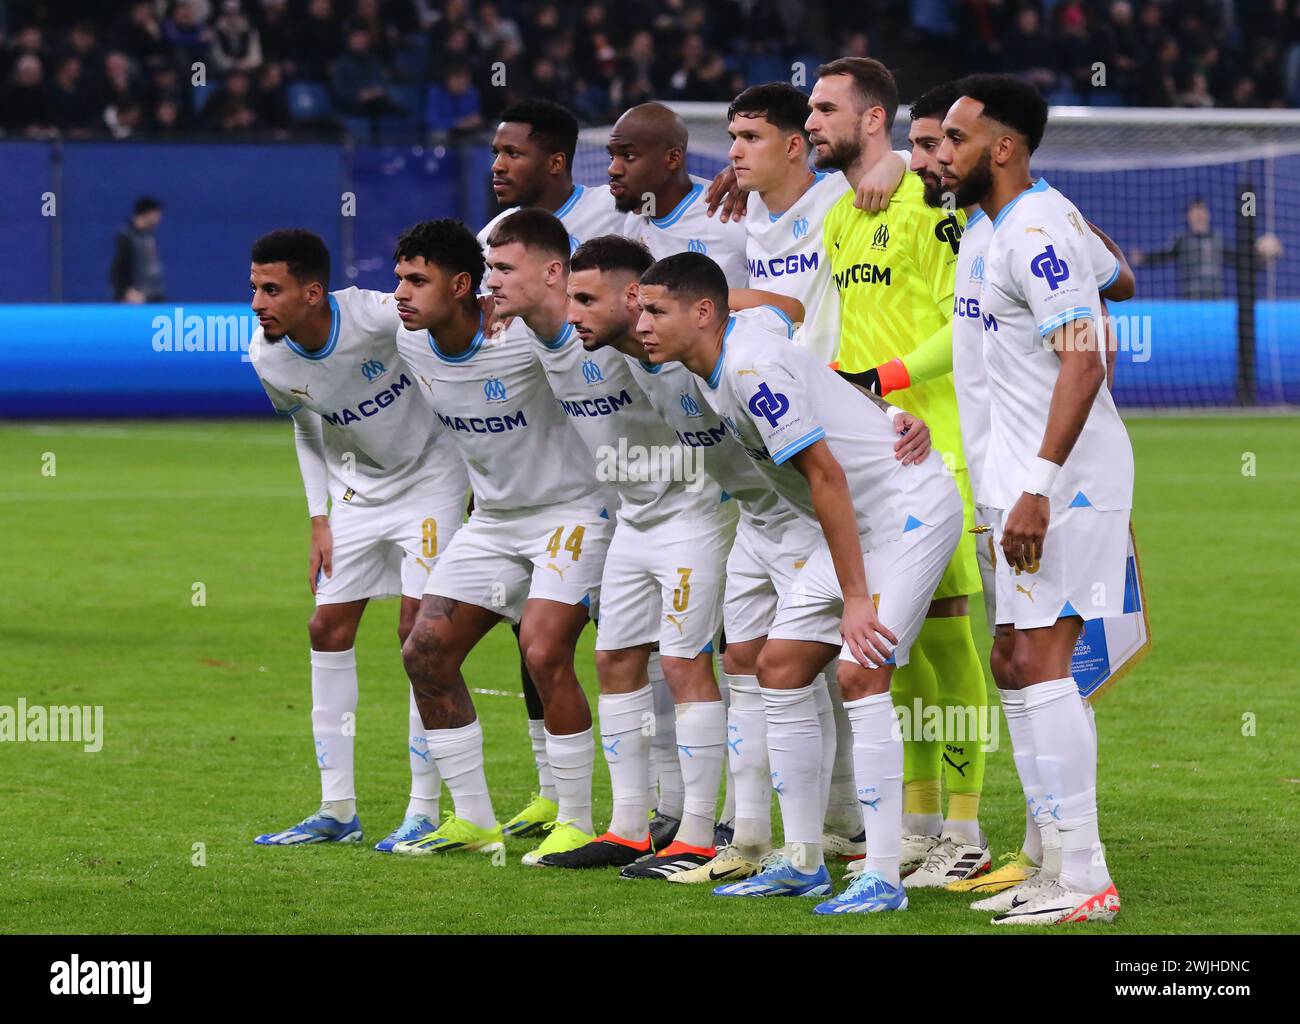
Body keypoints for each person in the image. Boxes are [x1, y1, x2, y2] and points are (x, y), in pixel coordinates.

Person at [638, 251, 961, 914]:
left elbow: (827, 477)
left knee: (861, 672)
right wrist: (877, 412)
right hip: (856, 519)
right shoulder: (717, 359)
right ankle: (804, 863)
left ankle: (883, 877)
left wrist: (858, 599)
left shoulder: (751, 368)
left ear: (704, 313)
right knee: (780, 668)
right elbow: (793, 337)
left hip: (906, 511)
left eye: (655, 310)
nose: (641, 323)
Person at [883, 80, 1136, 898]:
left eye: (952, 139)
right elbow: (1117, 279)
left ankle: (1086, 877)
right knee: (1013, 661)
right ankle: (1055, 864)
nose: (936, 153)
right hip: (1009, 483)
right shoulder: (998, 225)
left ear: (1002, 147)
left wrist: (1039, 486)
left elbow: (1088, 350)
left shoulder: (1029, 227)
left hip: (1058, 485)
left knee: (1039, 658)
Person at [482, 210, 738, 877]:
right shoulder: (575, 342)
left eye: (585, 300)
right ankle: (629, 826)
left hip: (696, 516)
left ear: (634, 300)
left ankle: (701, 836)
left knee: (685, 666)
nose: (573, 314)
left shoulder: (680, 353)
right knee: (616, 659)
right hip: (633, 520)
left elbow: (759, 321)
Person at [808, 58, 992, 883]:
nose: (811, 122)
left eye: (824, 108)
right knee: (898, 644)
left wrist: (881, 383)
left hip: (938, 443)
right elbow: (849, 331)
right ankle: (919, 823)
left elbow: (967, 324)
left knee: (948, 639)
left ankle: (966, 831)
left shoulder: (934, 204)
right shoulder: (844, 215)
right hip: (878, 454)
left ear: (872, 118)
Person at [390, 219, 614, 859]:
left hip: (572, 513)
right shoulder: (409, 339)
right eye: (398, 279)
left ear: (461, 285)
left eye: (416, 280)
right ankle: (476, 820)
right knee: (424, 657)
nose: (401, 293)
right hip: (490, 521)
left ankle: (576, 820)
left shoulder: (526, 338)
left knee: (543, 652)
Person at [246, 229, 470, 850]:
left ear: (313, 292)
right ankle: (337, 809)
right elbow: (306, 429)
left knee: (415, 634)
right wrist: (318, 518)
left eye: (272, 289)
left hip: (433, 475)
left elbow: (450, 350)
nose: (258, 302)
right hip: (356, 492)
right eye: (254, 289)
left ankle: (423, 810)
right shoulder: (269, 358)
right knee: (327, 627)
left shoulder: (377, 316)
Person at [474, 99, 626, 842]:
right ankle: (550, 791)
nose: (497, 165)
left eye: (512, 153)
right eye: (495, 152)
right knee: (536, 640)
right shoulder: (489, 244)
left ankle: (660, 807)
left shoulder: (613, 216)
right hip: (533, 477)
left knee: (633, 645)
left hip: (609, 477)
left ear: (557, 161)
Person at [612, 102, 750, 289]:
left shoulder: (730, 214)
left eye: (628, 156)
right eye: (613, 156)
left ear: (673, 158)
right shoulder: (634, 223)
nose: (613, 169)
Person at [1131, 197, 1283, 299]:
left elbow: (1238, 260)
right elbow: (1164, 256)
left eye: (1201, 211)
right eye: (1194, 212)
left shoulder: (1218, 240)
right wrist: (1143, 259)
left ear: (1207, 215)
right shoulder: (1182, 240)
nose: (1198, 215)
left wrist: (1261, 258)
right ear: (1189, 216)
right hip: (1190, 299)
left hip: (1214, 299)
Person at [110, 197, 166, 303]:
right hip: (137, 300)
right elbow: (119, 268)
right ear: (146, 213)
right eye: (156, 213)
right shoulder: (127, 237)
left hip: (153, 298)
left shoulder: (148, 236)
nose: (159, 217)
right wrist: (125, 291)